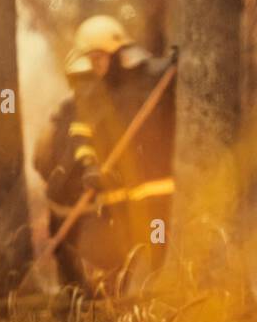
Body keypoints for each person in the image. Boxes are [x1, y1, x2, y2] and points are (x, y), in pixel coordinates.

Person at [32, 15, 176, 296]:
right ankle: (115, 309)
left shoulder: (146, 78)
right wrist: (90, 168)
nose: (96, 66)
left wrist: (177, 61)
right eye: (92, 59)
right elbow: (82, 135)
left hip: (157, 190)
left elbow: (163, 71)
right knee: (123, 258)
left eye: (101, 58)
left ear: (117, 53)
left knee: (158, 248)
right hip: (118, 196)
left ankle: (154, 301)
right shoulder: (92, 95)